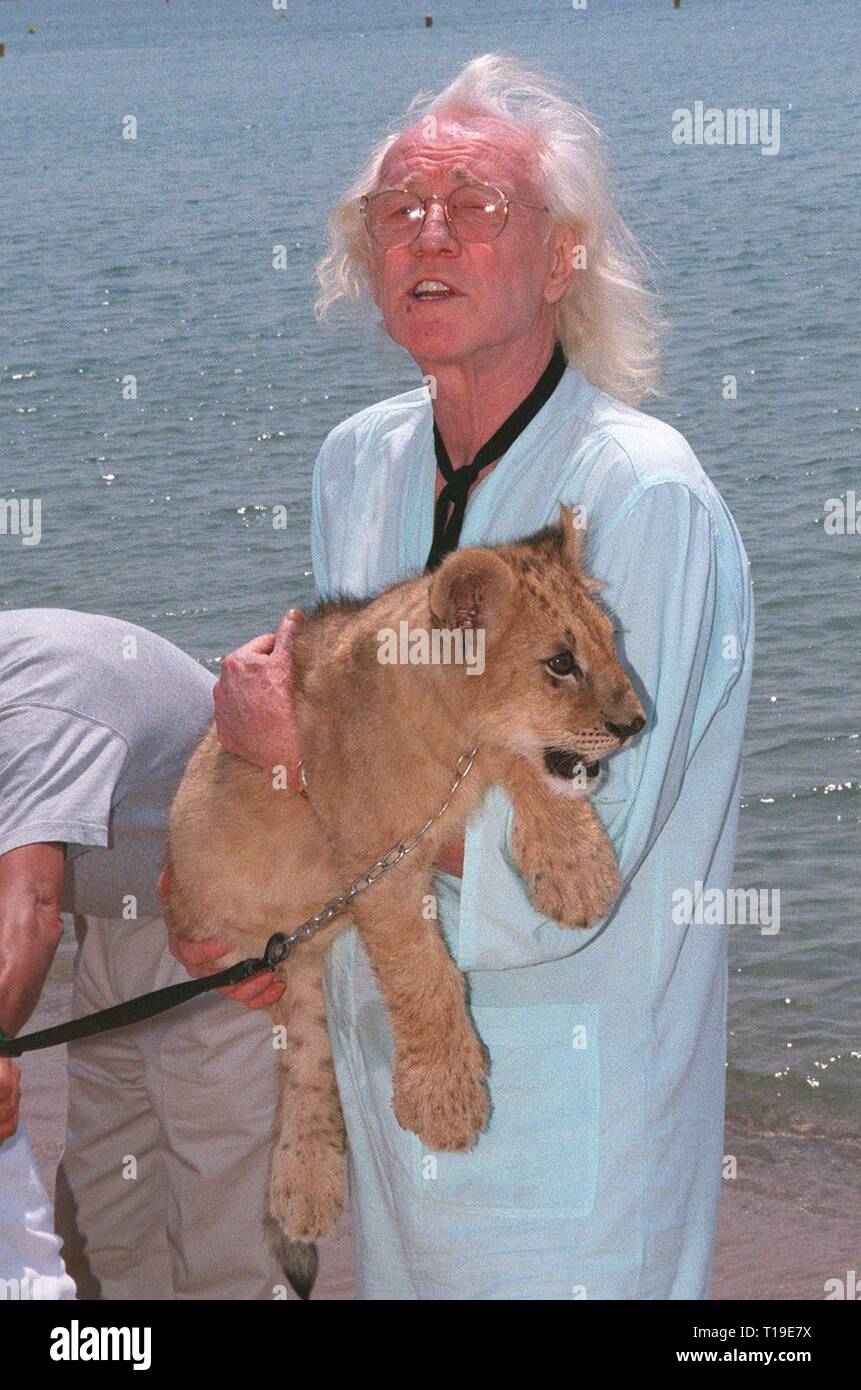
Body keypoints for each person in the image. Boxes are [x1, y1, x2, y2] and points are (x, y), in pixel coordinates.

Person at [172, 54, 754, 1300]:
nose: (427, 230)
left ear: (561, 260)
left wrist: (296, 757)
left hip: (577, 1120)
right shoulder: (358, 463)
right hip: (393, 1092)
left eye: (475, 204)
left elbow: (582, 843)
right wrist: (245, 891)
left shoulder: (642, 494)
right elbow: (358, 758)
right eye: (399, 209)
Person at [0, 609, 287, 1299]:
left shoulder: (37, 702)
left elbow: (31, 909)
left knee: (224, 1215)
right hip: (117, 913)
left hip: (228, 917)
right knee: (105, 1212)